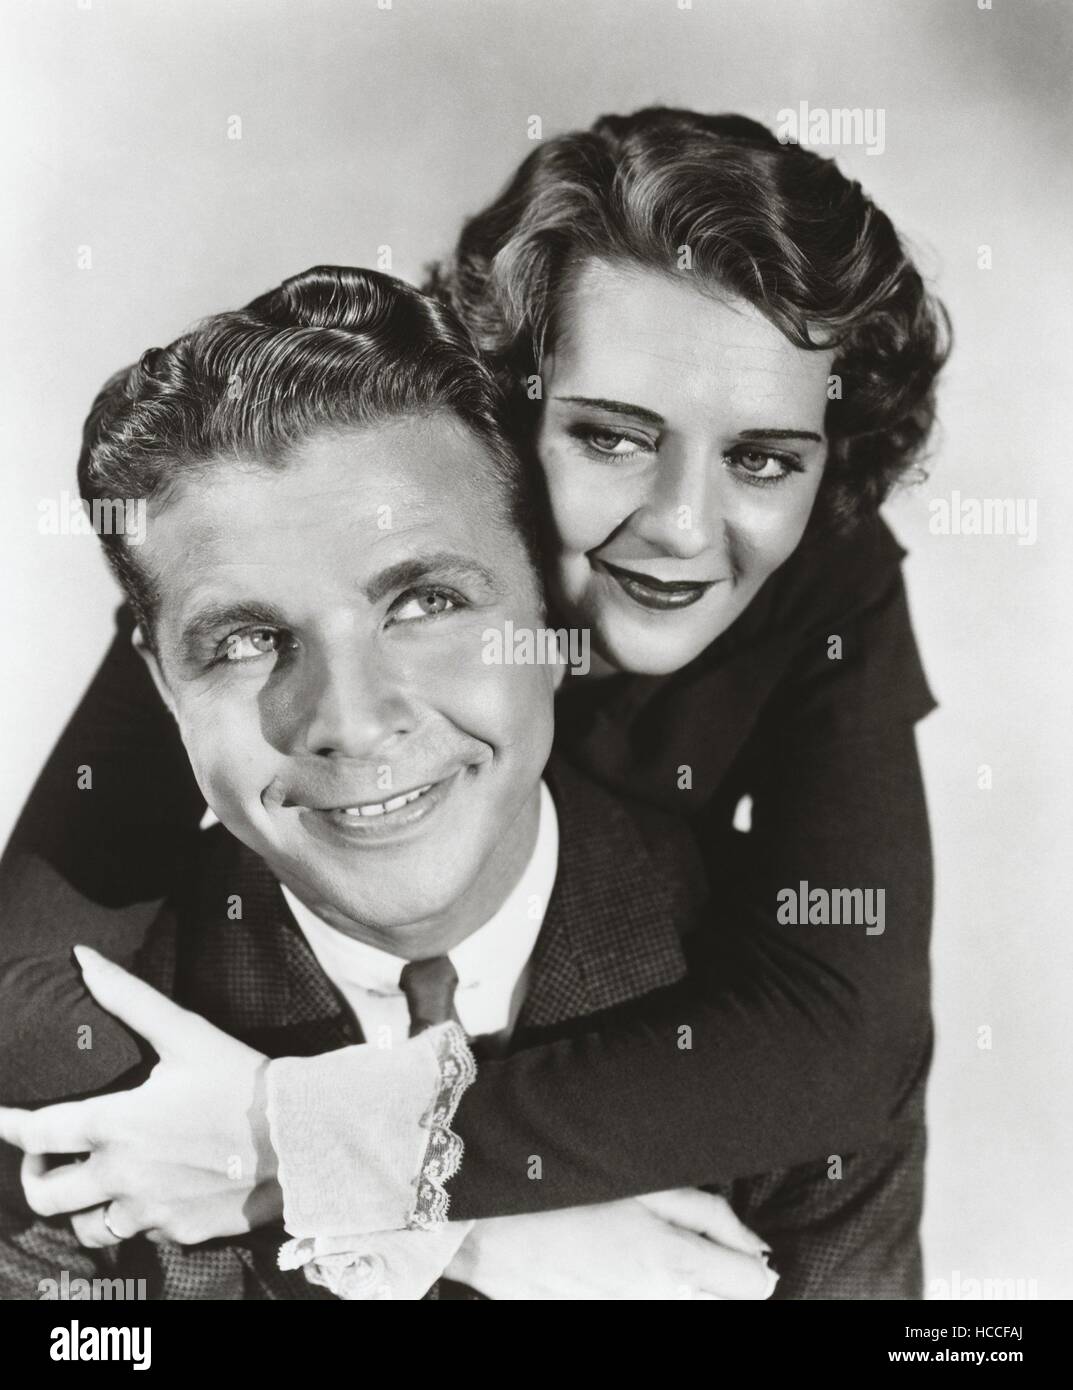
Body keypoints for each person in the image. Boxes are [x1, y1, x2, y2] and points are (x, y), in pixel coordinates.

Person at [0, 109, 946, 1293]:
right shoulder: (285, 564)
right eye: (608, 437)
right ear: (496, 414)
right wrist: (476, 1239)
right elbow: (19, 1007)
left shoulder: (827, 584)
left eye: (762, 459)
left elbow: (838, 1044)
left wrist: (294, 1144)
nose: (682, 527)